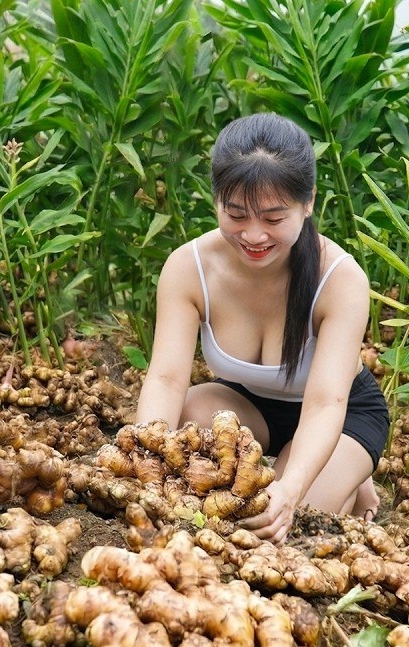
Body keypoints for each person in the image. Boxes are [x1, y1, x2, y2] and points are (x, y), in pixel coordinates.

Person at [134, 112, 391, 543]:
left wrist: (289, 490)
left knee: (280, 526)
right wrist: (147, 463)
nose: (254, 235)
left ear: (308, 202)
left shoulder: (341, 279)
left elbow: (327, 402)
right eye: (236, 214)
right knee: (178, 422)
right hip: (249, 406)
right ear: (215, 201)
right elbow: (164, 377)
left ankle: (348, 477)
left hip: (340, 414)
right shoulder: (189, 267)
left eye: (273, 219)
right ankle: (327, 472)